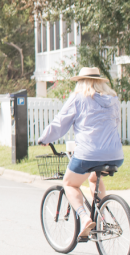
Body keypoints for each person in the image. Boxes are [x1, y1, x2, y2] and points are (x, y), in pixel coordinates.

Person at [37, 67, 123, 241]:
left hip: (88, 153)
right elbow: (115, 123)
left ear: (81, 82)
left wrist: (44, 138)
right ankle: (102, 218)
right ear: (100, 82)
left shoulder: (78, 98)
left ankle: (85, 218)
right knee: (93, 179)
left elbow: (60, 123)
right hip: (115, 154)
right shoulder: (113, 99)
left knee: (69, 183)